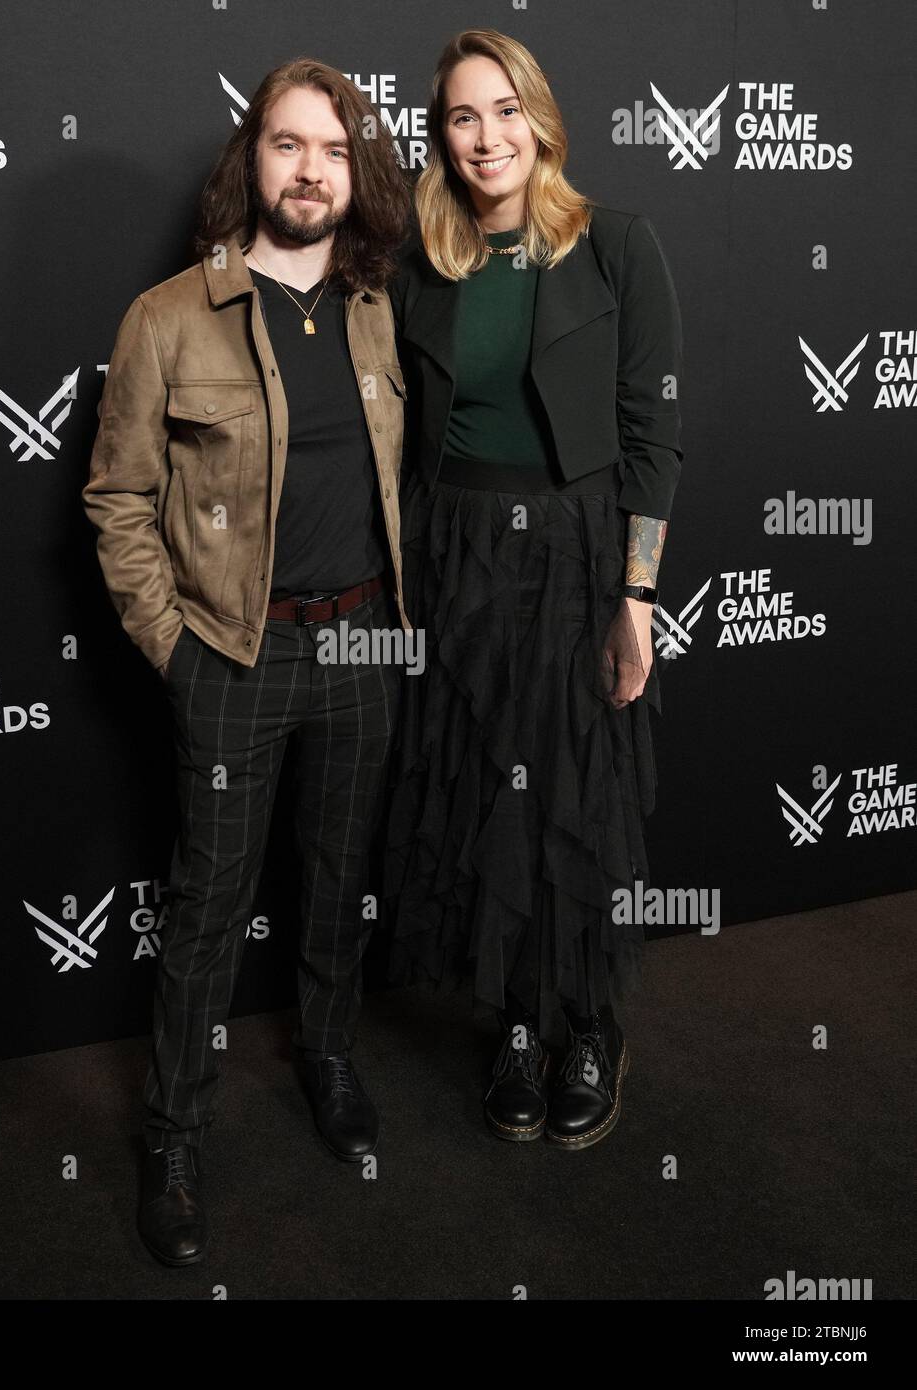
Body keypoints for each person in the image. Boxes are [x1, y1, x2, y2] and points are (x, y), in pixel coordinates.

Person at [81, 58, 412, 1265]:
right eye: (287, 144)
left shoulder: (378, 305)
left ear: (351, 169)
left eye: (331, 148)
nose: (310, 168)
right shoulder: (169, 315)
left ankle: (326, 1056)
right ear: (251, 161)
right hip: (233, 651)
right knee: (208, 910)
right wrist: (174, 648)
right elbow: (117, 499)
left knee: (336, 879)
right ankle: (173, 1132)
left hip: (367, 637)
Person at [384, 29, 683, 1150]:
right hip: (455, 550)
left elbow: (653, 436)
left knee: (575, 789)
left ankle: (590, 1023)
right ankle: (513, 1018)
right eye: (461, 117)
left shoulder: (613, 244)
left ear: (539, 120)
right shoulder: (424, 262)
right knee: (478, 785)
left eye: (503, 109)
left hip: (572, 549)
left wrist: (635, 596)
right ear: (440, 139)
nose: (485, 136)